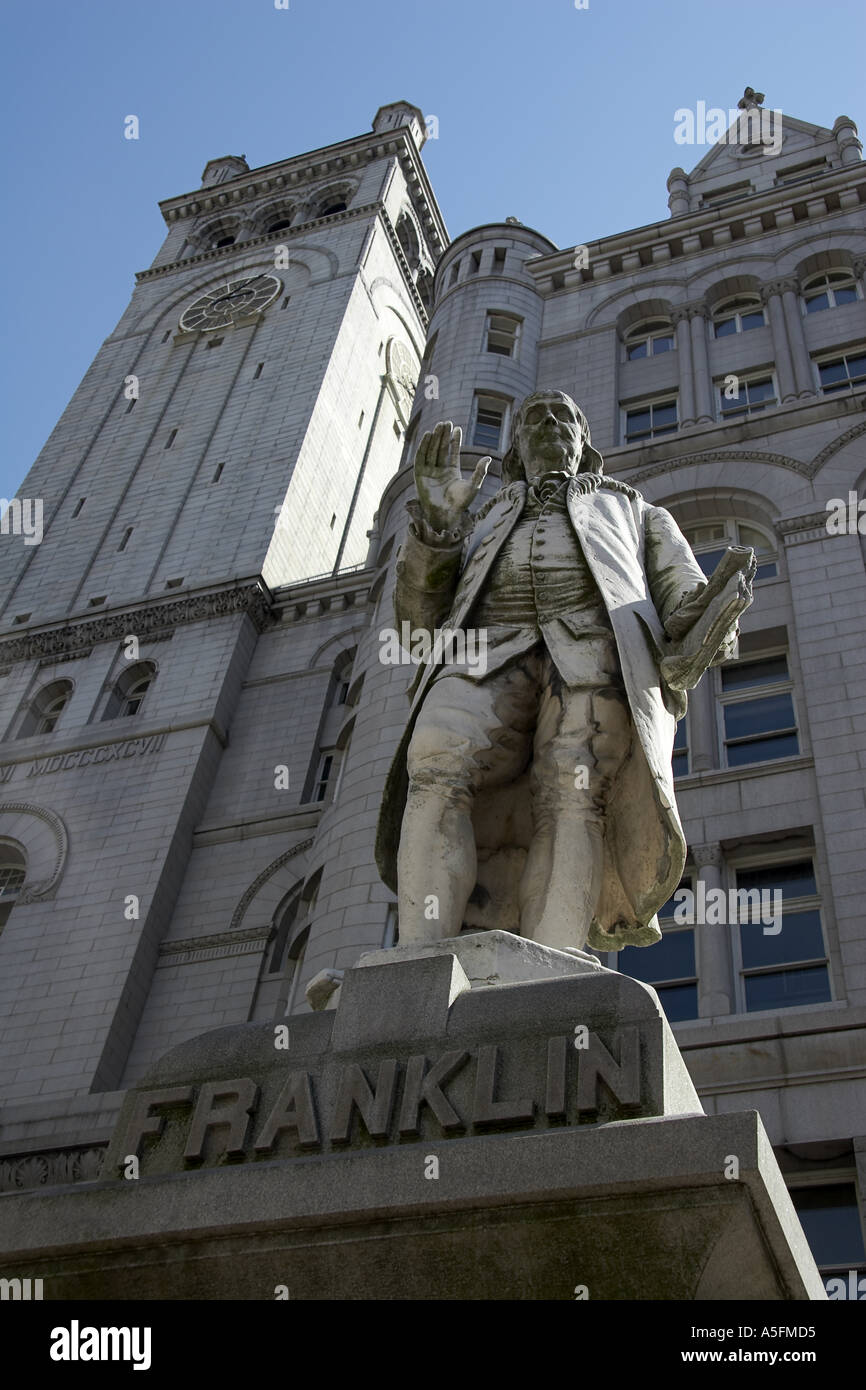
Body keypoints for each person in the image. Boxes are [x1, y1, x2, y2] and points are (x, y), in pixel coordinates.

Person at [375, 390, 754, 956]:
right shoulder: (479, 516)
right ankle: (416, 957)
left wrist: (710, 611)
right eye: (533, 417)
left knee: (573, 790)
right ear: (516, 447)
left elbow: (683, 601)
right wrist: (435, 529)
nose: (549, 423)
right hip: (480, 653)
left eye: (565, 416)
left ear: (585, 443)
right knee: (433, 760)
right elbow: (418, 626)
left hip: (592, 653)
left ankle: (551, 963)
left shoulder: (636, 511)